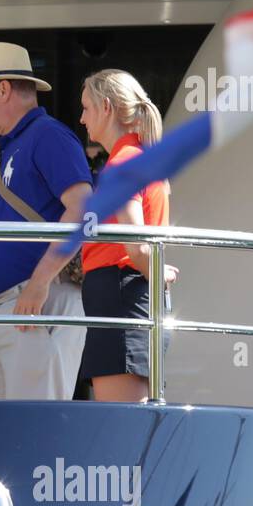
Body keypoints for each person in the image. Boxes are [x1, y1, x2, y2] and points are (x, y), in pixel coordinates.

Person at [0, 43, 92, 400]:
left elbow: (83, 208)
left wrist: (40, 283)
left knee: (32, 433)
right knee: (12, 434)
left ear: (2, 89)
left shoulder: (47, 134)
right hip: (16, 309)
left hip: (35, 302)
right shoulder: (17, 142)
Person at [77, 69, 175, 401]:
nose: (81, 118)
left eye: (86, 108)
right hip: (131, 297)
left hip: (121, 298)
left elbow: (136, 245)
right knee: (135, 426)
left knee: (123, 430)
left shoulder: (125, 163)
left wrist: (157, 272)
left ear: (106, 107)